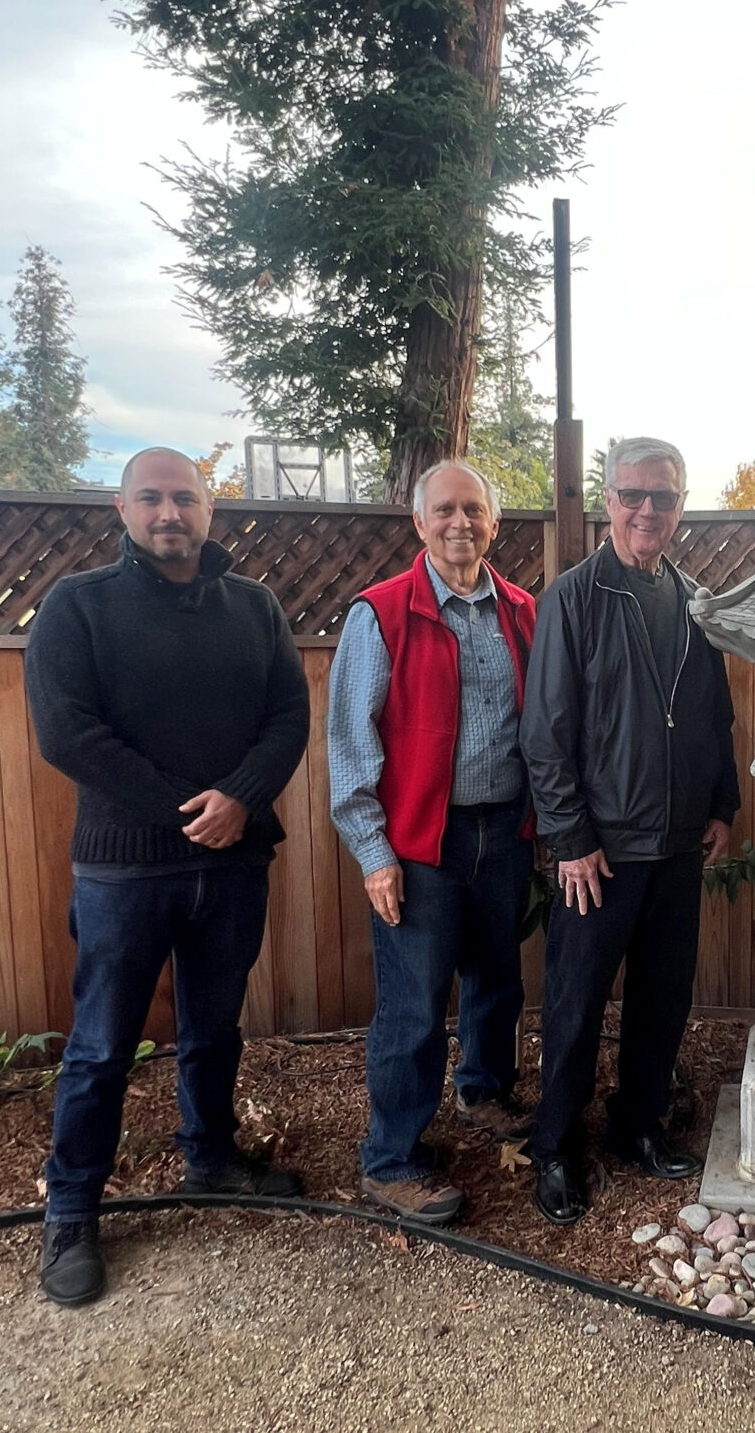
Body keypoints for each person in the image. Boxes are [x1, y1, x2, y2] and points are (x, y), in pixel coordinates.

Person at [25, 447, 310, 1307]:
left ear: (208, 509)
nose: (169, 513)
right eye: (150, 498)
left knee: (215, 1029)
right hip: (125, 873)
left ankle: (211, 1158)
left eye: (184, 497)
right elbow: (67, 733)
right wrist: (190, 809)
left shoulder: (253, 607)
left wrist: (242, 799)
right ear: (122, 509)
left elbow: (288, 715)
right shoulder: (78, 606)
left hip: (233, 864)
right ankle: (72, 1211)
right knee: (100, 1047)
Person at [520, 436, 739, 1225]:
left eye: (664, 496)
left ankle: (636, 1125)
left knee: (662, 997)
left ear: (681, 506)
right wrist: (570, 837)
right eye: (633, 495)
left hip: (678, 842)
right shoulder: (574, 598)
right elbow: (546, 732)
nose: (648, 509)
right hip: (601, 852)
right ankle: (554, 1146)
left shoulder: (695, 600)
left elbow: (715, 717)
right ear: (609, 501)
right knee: (576, 1004)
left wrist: (723, 806)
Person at [328, 459, 536, 1227]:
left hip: (502, 831)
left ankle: (483, 1091)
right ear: (419, 522)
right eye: (444, 510)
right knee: (414, 1006)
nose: (460, 523)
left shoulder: (522, 611)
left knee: (497, 981)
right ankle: (391, 1160)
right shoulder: (381, 614)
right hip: (421, 842)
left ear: (493, 523)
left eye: (473, 510)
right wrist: (373, 852)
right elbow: (350, 740)